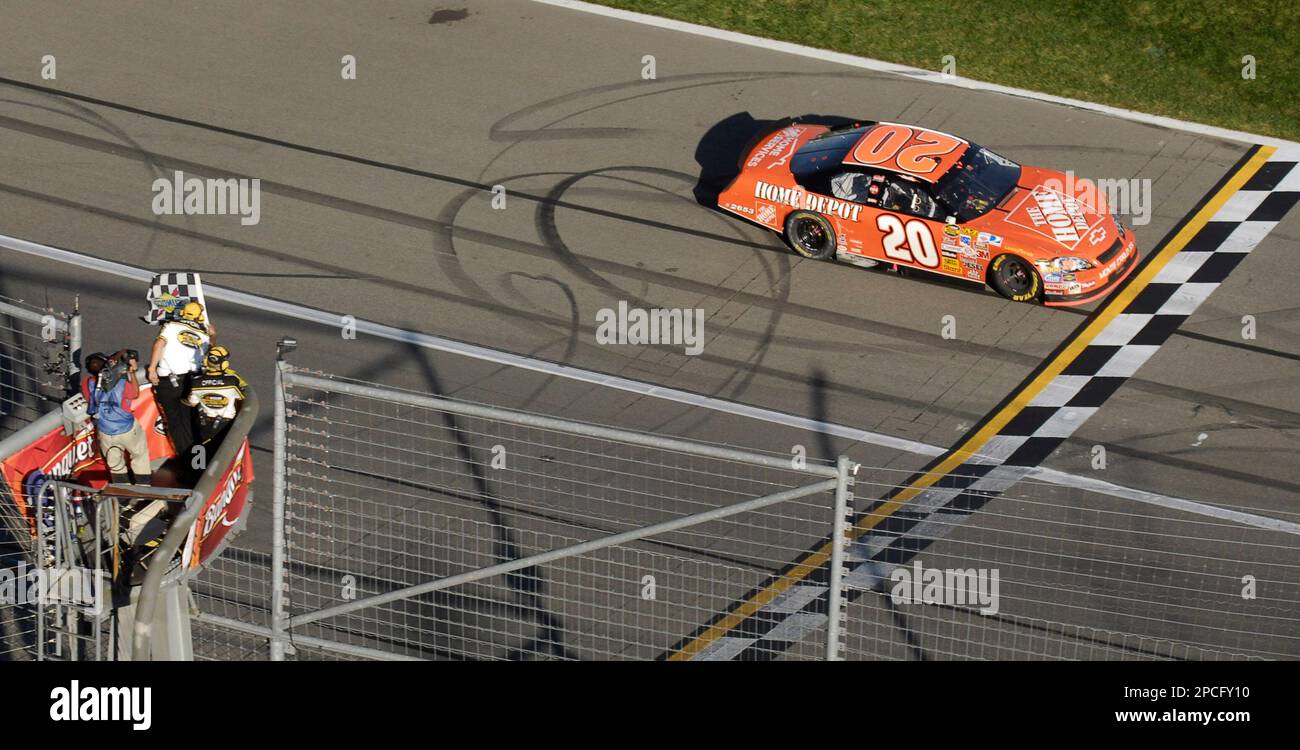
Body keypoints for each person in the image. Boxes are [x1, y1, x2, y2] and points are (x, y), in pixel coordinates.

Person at [146, 301, 213, 459]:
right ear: (199, 317)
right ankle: (197, 462)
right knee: (190, 421)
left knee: (174, 422)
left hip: (168, 381)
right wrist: (213, 336)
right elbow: (209, 357)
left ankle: (184, 458)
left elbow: (159, 344)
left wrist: (151, 369)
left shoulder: (171, 325)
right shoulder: (203, 335)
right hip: (190, 382)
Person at [81, 349, 152, 486]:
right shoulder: (121, 382)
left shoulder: (87, 383)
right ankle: (144, 490)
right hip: (127, 429)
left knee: (115, 464)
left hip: (105, 431)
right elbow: (135, 394)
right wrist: (131, 372)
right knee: (139, 456)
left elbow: (89, 398)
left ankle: (123, 496)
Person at [184, 345, 246, 447]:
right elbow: (241, 397)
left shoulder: (196, 382)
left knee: (204, 454)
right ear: (224, 364)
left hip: (204, 425)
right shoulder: (232, 380)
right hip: (226, 425)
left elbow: (192, 402)